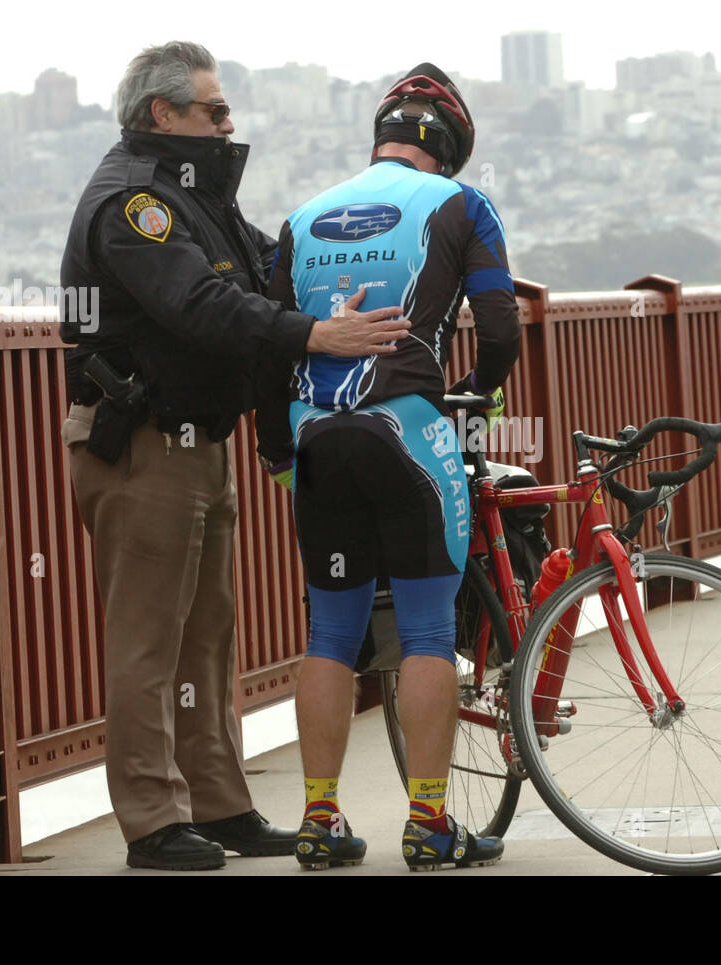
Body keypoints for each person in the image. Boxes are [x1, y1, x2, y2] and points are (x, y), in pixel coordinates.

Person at [59, 41, 409, 871]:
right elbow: (202, 305)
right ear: (164, 114)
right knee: (147, 640)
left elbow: (265, 276)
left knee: (208, 637)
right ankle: (151, 820)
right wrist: (317, 335)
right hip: (140, 446)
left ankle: (217, 805)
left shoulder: (195, 195)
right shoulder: (134, 204)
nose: (228, 123)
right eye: (214, 111)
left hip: (198, 442)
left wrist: (340, 286)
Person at [255, 62, 521, 871]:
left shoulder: (301, 218)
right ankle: (431, 824)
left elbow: (268, 351)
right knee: (430, 632)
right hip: (410, 432)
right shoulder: (460, 205)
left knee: (331, 633)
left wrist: (278, 454)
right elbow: (501, 323)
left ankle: (319, 820)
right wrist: (478, 391)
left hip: (316, 441)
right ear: (446, 147)